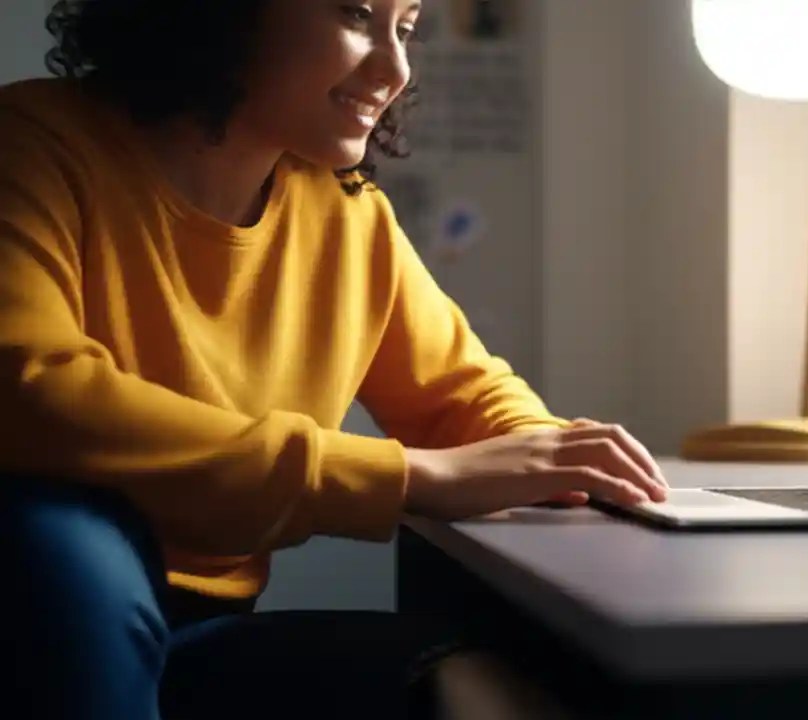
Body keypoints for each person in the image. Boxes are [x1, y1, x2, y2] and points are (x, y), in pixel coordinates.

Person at [0, 1, 666, 718]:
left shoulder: (348, 215)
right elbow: (29, 389)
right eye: (355, 13)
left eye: (405, 29)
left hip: (199, 636)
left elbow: (462, 396)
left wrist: (566, 465)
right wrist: (406, 476)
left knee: (490, 683)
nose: (393, 67)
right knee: (60, 538)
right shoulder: (34, 140)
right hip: (40, 593)